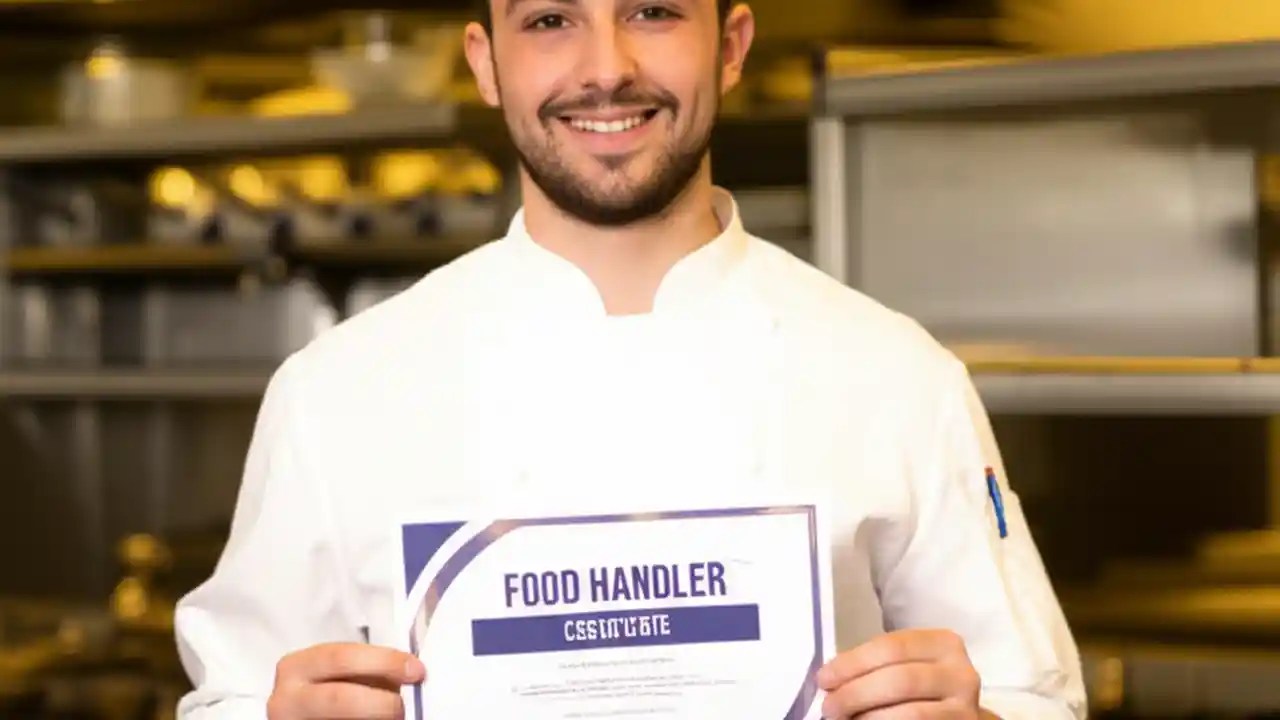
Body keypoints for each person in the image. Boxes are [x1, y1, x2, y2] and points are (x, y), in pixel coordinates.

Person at [172, 0, 1087, 717]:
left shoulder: (898, 376)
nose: (606, 68)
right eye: (548, 21)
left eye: (652, 11)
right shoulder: (334, 394)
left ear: (731, 46)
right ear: (486, 62)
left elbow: (1033, 694)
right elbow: (232, 697)